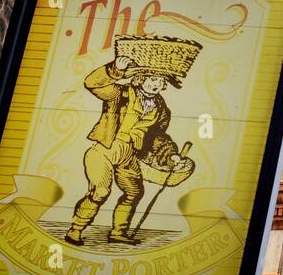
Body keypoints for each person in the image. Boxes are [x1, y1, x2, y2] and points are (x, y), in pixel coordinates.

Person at [65, 35, 199, 245]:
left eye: (160, 81)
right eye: (152, 79)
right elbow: (92, 84)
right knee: (100, 191)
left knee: (134, 192)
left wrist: (171, 156)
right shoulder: (121, 94)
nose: (156, 84)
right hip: (103, 151)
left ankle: (118, 232)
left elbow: (157, 138)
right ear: (140, 78)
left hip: (129, 155)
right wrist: (114, 70)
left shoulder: (161, 109)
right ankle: (76, 229)